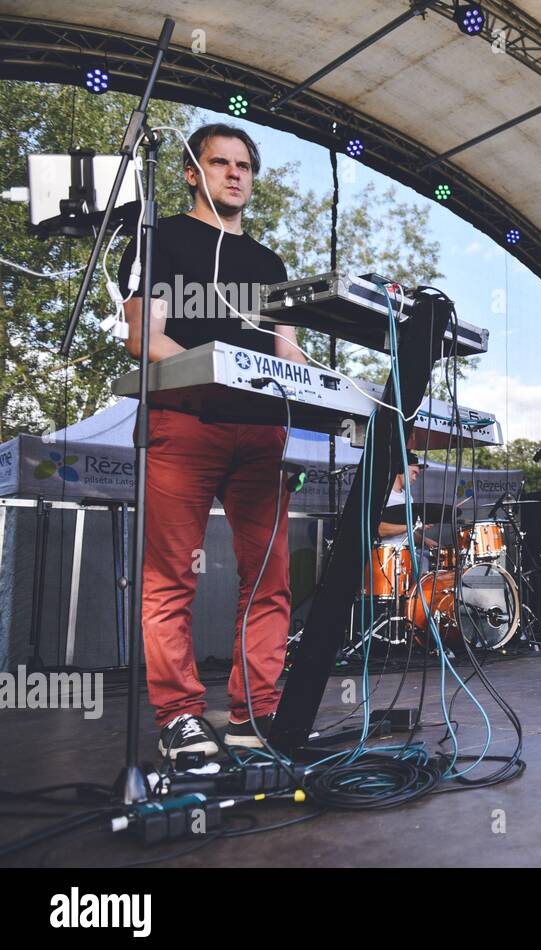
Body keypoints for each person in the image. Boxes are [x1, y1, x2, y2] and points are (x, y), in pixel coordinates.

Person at [119, 123, 307, 758]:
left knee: (269, 579)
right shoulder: (161, 237)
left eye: (245, 165)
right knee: (171, 576)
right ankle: (179, 717)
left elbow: (289, 352)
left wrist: (328, 389)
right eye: (220, 162)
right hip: (187, 417)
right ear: (191, 173)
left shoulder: (270, 264)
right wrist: (222, 374)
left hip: (260, 432)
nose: (235, 174)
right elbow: (143, 337)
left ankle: (254, 715)